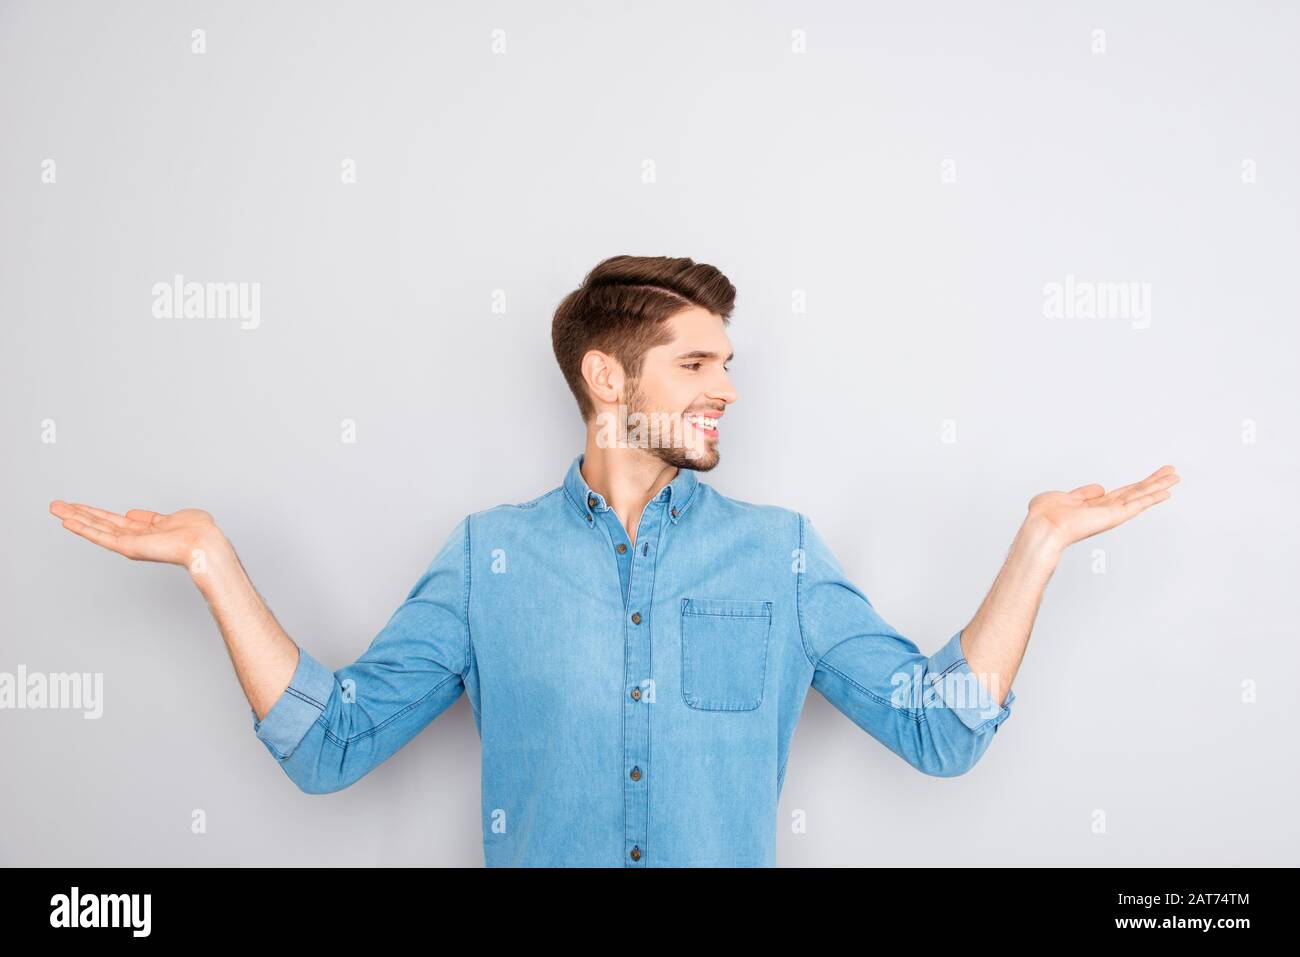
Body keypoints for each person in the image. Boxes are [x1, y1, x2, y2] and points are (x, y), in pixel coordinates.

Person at [49, 254, 1179, 867]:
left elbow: (937, 731)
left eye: (728, 363)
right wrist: (209, 559)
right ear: (607, 379)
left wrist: (1037, 545)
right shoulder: (489, 558)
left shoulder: (779, 557)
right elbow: (330, 745)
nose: (727, 387)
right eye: (696, 364)